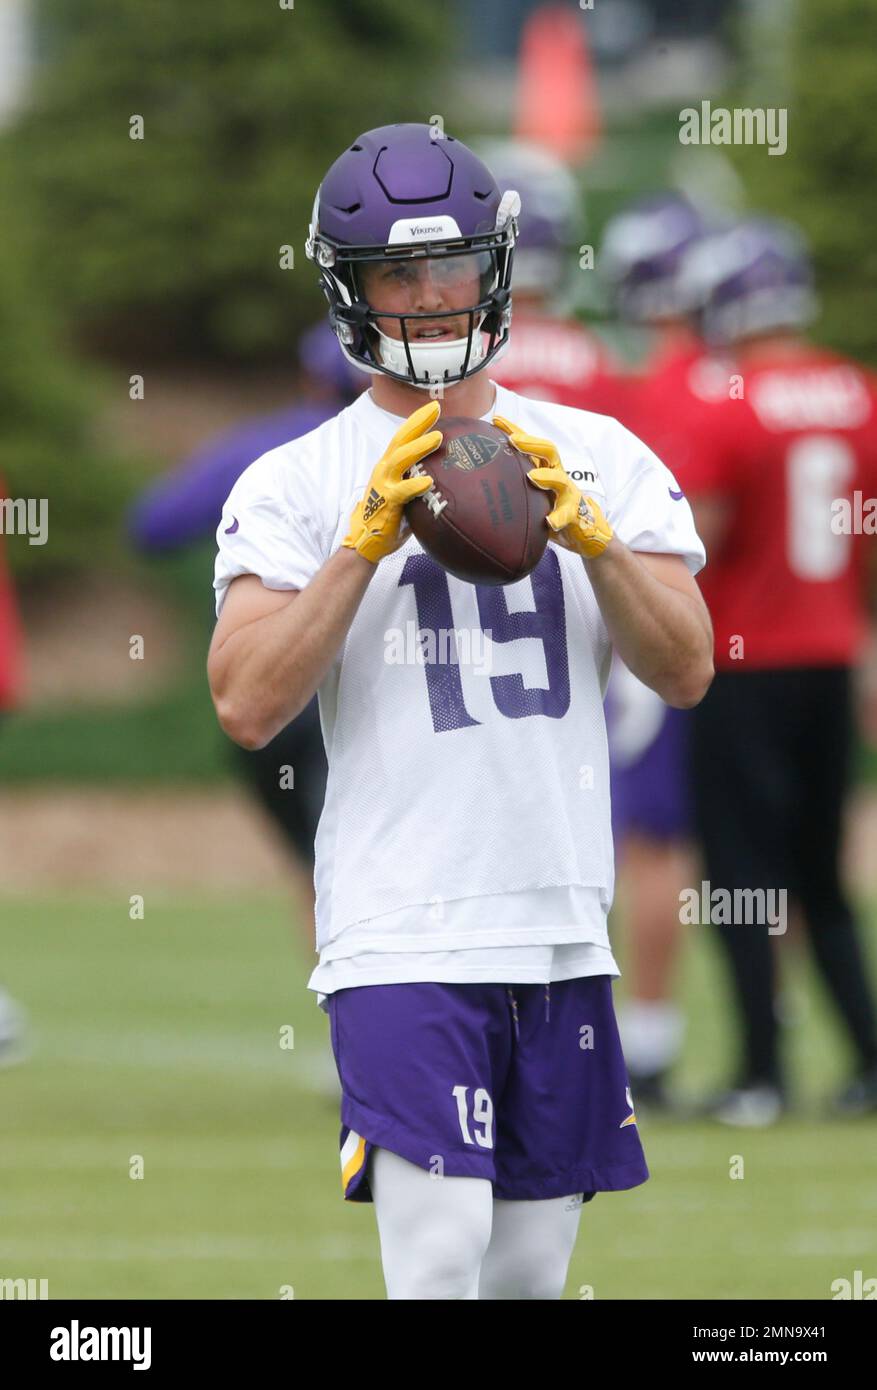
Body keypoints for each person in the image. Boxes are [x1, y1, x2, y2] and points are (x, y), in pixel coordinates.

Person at [208, 123, 713, 1300]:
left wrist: (595, 545)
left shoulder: (596, 452)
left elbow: (686, 665)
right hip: (403, 928)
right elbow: (244, 701)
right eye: (397, 274)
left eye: (447, 270)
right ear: (350, 286)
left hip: (560, 919)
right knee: (436, 1262)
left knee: (529, 1277)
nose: (430, 301)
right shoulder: (299, 479)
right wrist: (355, 553)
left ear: (492, 269)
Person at [676, 216, 877, 1124]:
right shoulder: (856, 392)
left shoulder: (727, 401)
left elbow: (702, 534)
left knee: (744, 877)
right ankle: (868, 1059)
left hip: (742, 663)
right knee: (821, 876)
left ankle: (760, 1071)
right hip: (831, 658)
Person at [599, 193, 722, 1105]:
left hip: (621, 631)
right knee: (671, 843)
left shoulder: (638, 383)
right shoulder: (684, 382)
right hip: (695, 631)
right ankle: (656, 1034)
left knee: (633, 838)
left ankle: (633, 1042)